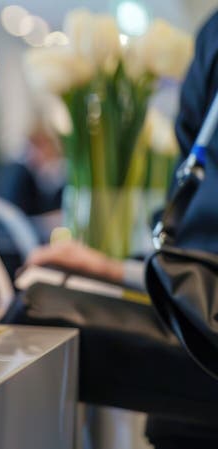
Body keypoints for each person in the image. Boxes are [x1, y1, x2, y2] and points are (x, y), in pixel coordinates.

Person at [23, 11, 218, 447]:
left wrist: (125, 270)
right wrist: (119, 269)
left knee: (33, 314)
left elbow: (190, 207)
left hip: (200, 355)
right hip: (196, 358)